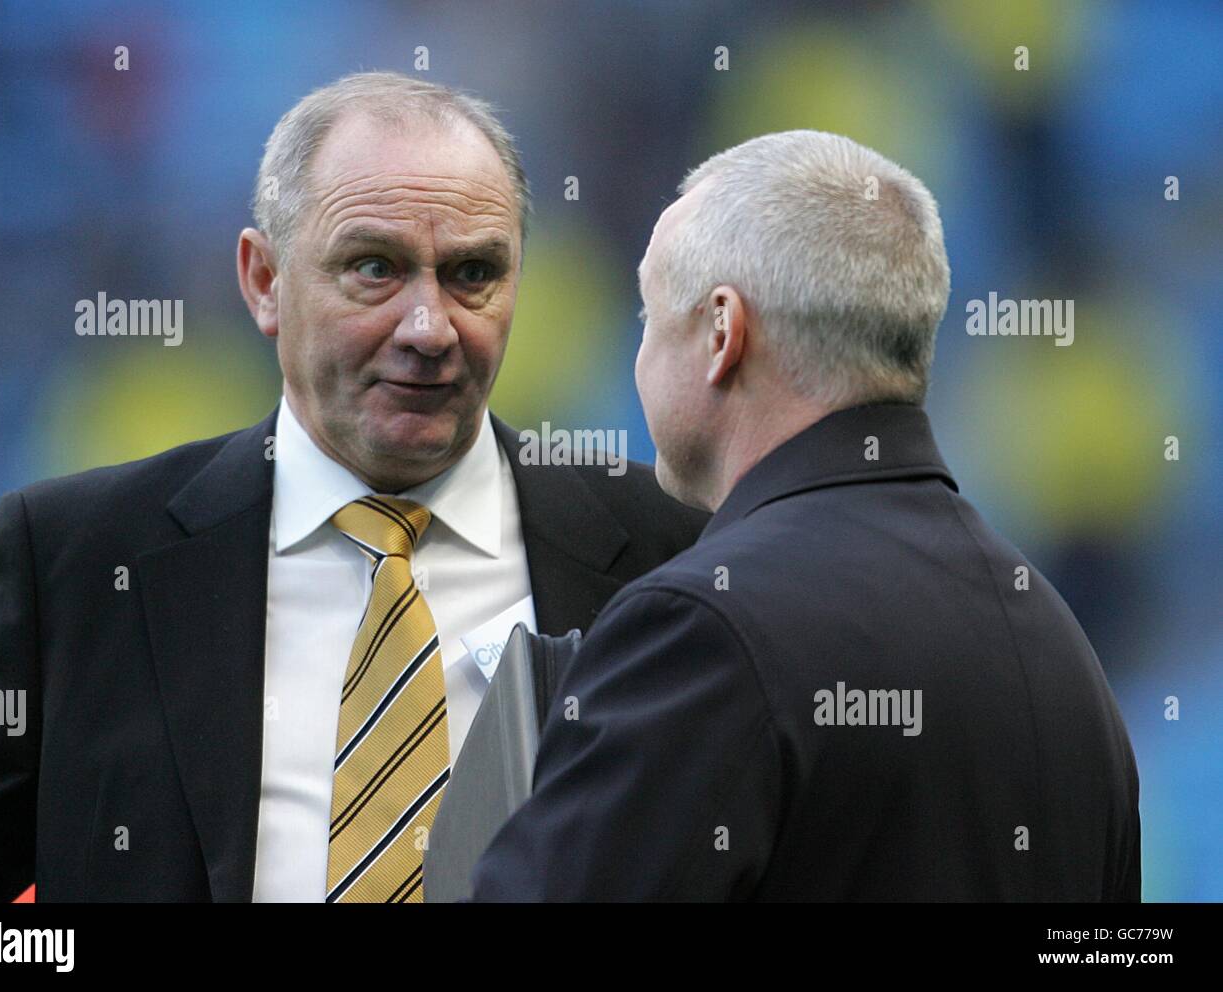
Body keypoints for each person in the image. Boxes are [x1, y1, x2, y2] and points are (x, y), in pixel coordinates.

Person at [0, 72, 706, 903]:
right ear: (264, 280)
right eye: (374, 268)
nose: (429, 329)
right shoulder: (72, 565)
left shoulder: (673, 553)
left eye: (473, 273)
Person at [468, 130, 1141, 901]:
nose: (639, 353)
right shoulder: (1064, 657)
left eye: (650, 314)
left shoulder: (700, 631)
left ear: (723, 333)